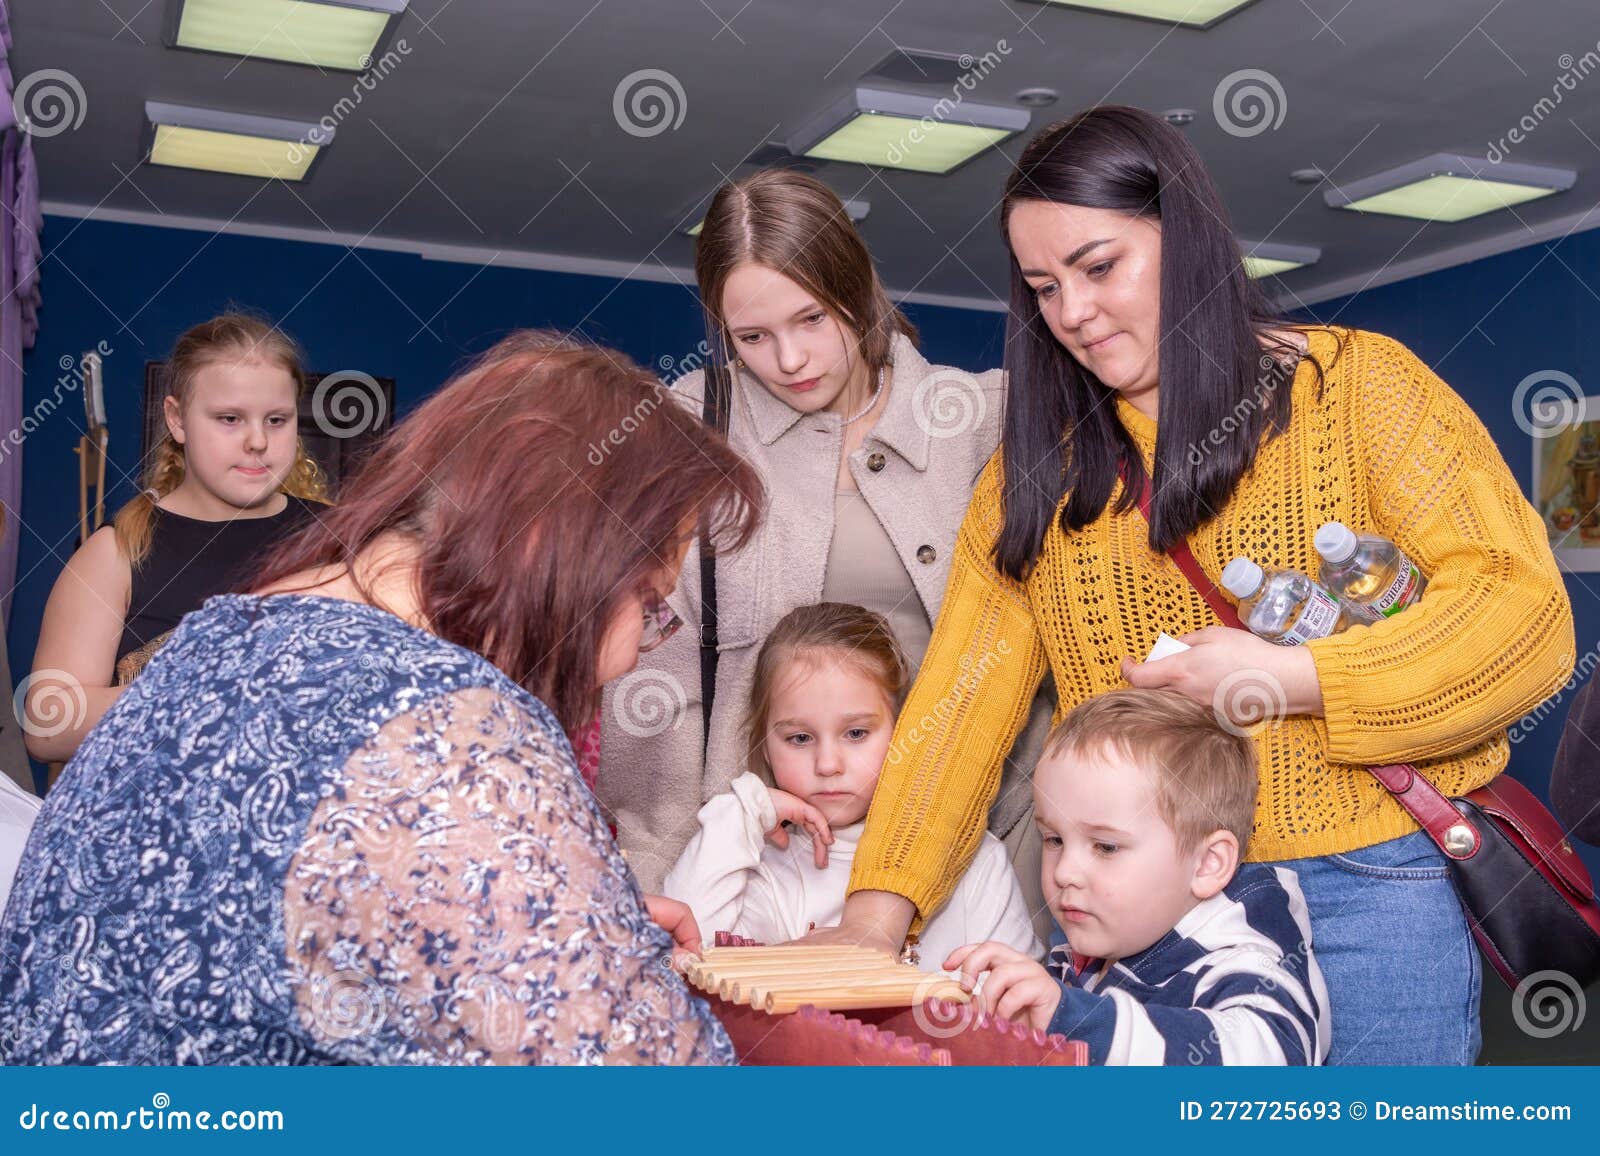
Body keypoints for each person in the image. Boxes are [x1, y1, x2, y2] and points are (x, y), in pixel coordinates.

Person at [823, 106, 1574, 1066]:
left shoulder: (1358, 391)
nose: (1073, 314)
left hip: (1366, 887)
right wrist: (875, 919)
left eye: (1100, 267)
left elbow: (1524, 618)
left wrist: (1284, 678)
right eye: (1045, 287)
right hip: (1145, 914)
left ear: (1188, 244)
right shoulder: (1034, 479)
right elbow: (960, 709)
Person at [0, 332, 763, 1065]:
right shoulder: (450, 739)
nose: (636, 650)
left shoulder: (226, 631)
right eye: (648, 601)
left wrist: (562, 920)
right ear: (551, 554)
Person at [600, 169, 1054, 921]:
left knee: (974, 1037)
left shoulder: (978, 419)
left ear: (857, 290)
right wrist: (656, 877)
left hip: (976, 846)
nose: (789, 360)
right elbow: (656, 684)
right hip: (768, 863)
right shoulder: (688, 430)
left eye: (812, 319)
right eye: (752, 337)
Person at [950, 689, 1330, 1065]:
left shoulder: (1248, 966)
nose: (1064, 871)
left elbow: (1268, 1062)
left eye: (1105, 847)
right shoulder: (1093, 953)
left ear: (1208, 864)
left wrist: (1073, 1019)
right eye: (1053, 839)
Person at [24, 314, 328, 766]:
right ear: (177, 419)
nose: (258, 440)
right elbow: (47, 727)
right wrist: (205, 688)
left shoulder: (341, 539)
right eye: (229, 418)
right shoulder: (118, 551)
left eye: (277, 420)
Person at [664, 602, 1039, 966]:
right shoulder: (762, 863)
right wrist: (744, 810)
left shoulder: (974, 859)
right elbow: (692, 954)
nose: (828, 764)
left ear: (903, 728)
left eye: (856, 733)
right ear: (764, 746)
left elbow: (1019, 1002)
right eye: (799, 738)